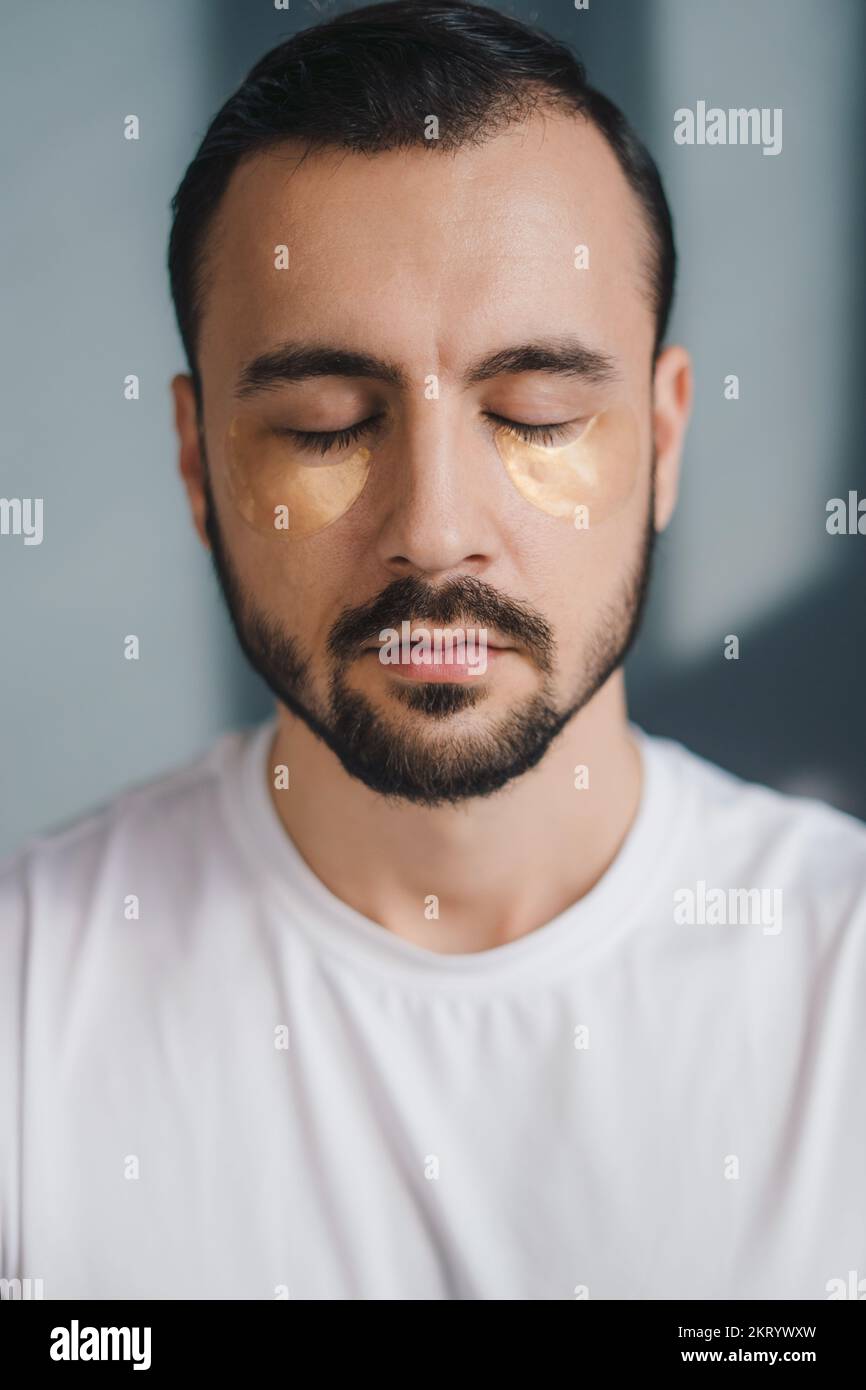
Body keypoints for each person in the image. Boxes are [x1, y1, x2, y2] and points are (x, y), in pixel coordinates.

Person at [1, 0, 864, 1301]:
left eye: (533, 412)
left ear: (664, 440)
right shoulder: (27, 1009)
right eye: (326, 423)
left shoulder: (839, 977)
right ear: (195, 463)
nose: (435, 530)